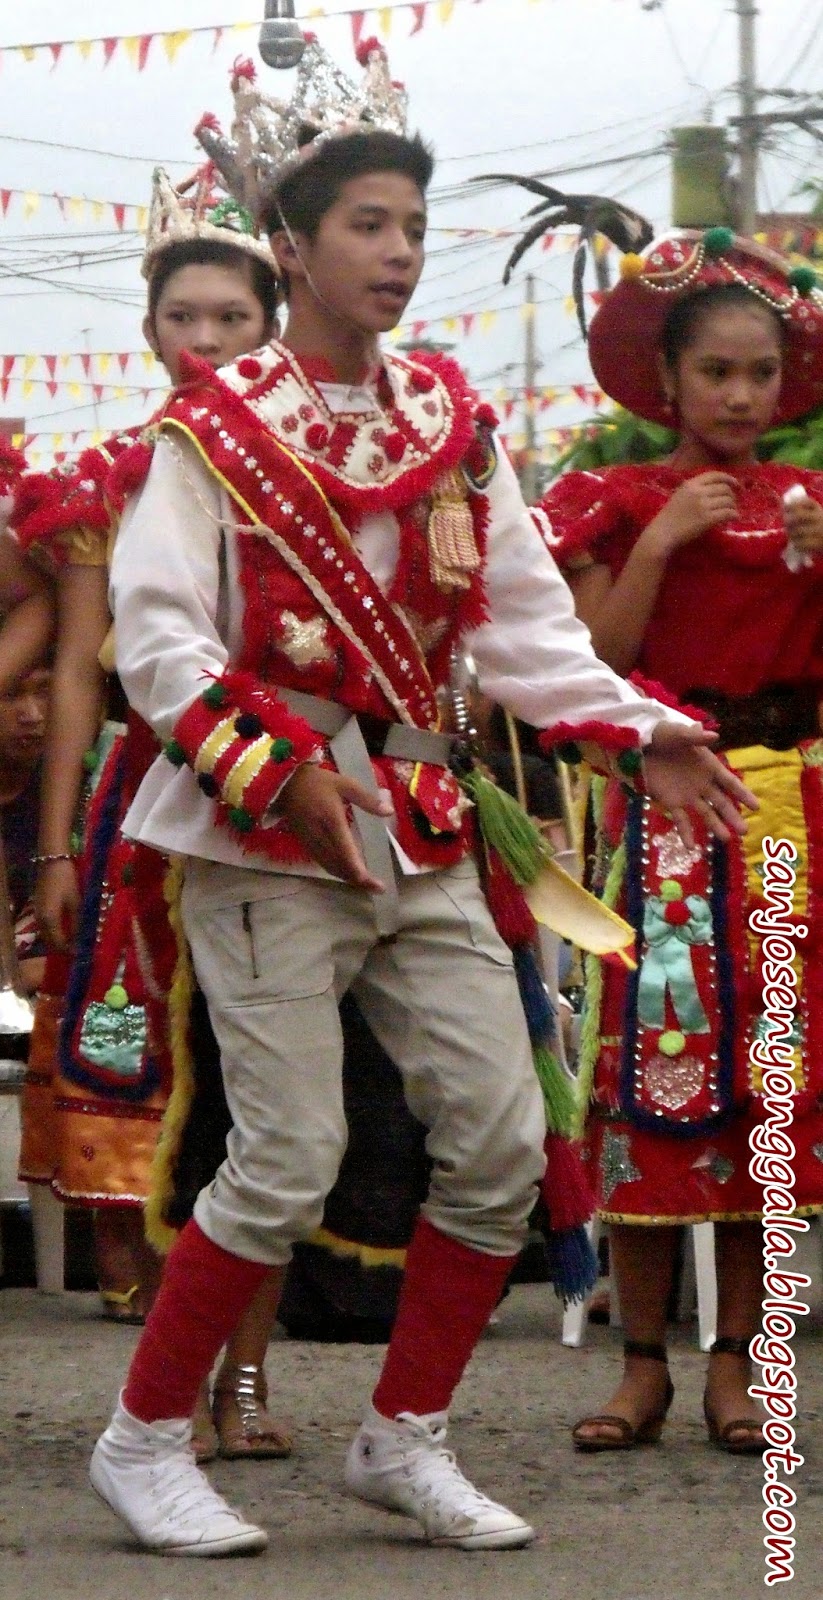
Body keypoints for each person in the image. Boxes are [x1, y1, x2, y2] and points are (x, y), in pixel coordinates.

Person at [91, 38, 753, 1558]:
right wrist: (280, 779)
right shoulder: (213, 432)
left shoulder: (446, 418)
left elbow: (521, 624)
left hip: (418, 823)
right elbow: (159, 645)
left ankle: (403, 1436)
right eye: (365, 226)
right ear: (292, 246)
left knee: (501, 1142)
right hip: (257, 829)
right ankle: (139, 1443)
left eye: (408, 225)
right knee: (287, 1154)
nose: (395, 253)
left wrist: (635, 722)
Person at [14, 162, 293, 1459]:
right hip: (147, 801)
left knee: (265, 1092)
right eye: (184, 319)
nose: (205, 342)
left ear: (268, 329)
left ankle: (247, 1383)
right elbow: (80, 673)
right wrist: (58, 843)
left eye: (230, 319)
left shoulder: (320, 477)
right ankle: (175, 1376)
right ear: (149, 334)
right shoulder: (109, 483)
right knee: (167, 1079)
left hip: (286, 798)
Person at [535, 225, 823, 1453]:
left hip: (781, 819)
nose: (741, 396)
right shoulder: (621, 500)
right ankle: (638, 1367)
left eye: (760, 373)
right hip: (656, 817)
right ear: (666, 381)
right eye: (716, 373)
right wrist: (660, 539)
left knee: (766, 1096)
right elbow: (595, 657)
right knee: (647, 1090)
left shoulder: (812, 509)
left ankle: (735, 1368)